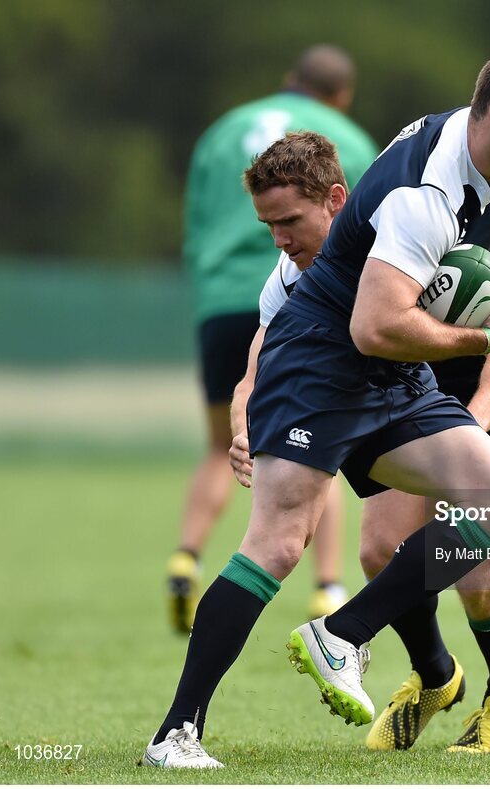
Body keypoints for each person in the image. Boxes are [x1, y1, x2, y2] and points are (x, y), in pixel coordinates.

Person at [141, 40, 490, 769]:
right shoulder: (428, 199)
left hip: (391, 375)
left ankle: (341, 633)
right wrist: (481, 334)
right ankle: (176, 733)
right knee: (280, 542)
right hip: (326, 362)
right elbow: (369, 324)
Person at [226, 139, 490, 752]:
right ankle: (436, 675)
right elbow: (257, 369)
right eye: (272, 227)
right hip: (424, 398)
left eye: (291, 223)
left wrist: (462, 452)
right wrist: (244, 429)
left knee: (479, 573)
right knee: (379, 548)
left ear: (340, 205)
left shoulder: (429, 241)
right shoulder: (300, 278)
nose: (282, 241)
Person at [168, 44, 378, 633]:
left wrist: (210, 280)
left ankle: (185, 556)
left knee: (221, 446)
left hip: (217, 299)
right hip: (304, 298)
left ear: (289, 81)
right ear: (342, 96)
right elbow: (365, 231)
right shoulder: (350, 141)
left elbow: (196, 221)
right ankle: (327, 588)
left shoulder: (221, 132)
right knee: (321, 444)